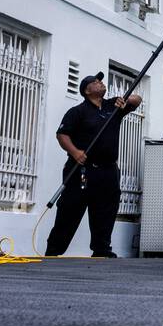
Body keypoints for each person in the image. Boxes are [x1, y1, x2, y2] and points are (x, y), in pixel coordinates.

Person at [45, 72, 142, 259]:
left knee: (105, 210)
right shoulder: (77, 112)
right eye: (96, 82)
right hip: (82, 170)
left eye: (100, 81)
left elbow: (137, 100)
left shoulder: (113, 106)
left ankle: (101, 250)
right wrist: (75, 152)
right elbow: (62, 135)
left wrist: (126, 100)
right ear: (87, 90)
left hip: (108, 171)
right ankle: (53, 252)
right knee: (70, 210)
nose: (100, 83)